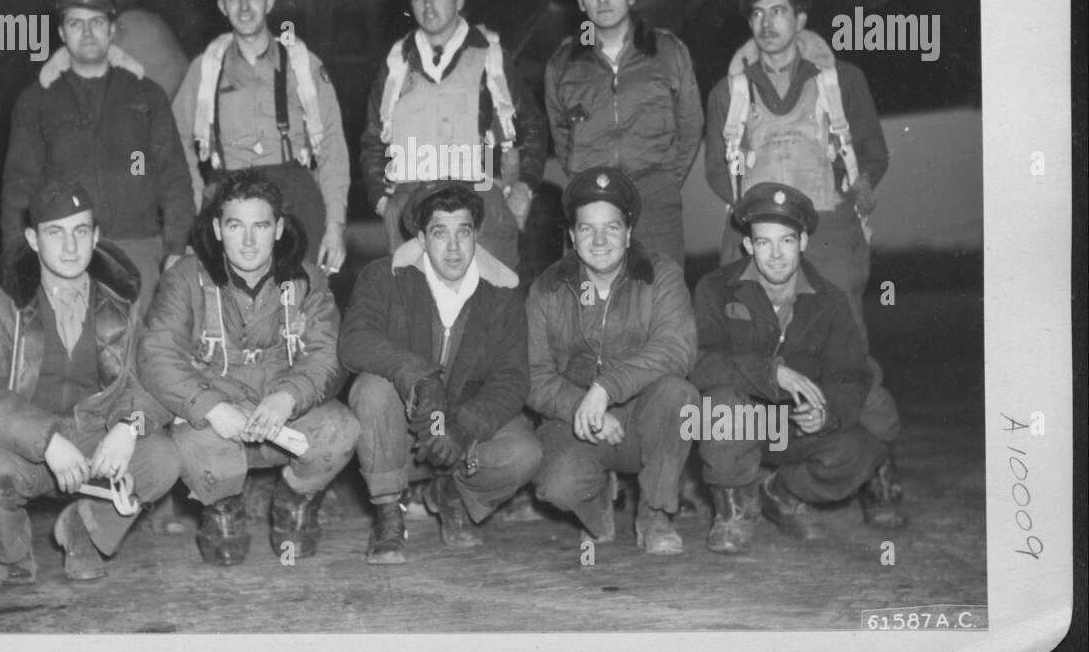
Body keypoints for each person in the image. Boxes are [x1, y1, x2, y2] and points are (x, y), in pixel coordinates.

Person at [704, 0, 905, 527]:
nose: (768, 24)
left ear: (800, 18)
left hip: (831, 233)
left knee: (849, 355)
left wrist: (857, 185)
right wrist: (763, 220)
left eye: (779, 11)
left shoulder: (843, 80)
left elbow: (872, 153)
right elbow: (718, 174)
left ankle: (879, 464)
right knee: (746, 354)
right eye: (757, 14)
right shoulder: (730, 91)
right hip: (757, 235)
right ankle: (741, 483)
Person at [0, 181, 181, 585]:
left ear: (97, 237)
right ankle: (13, 548)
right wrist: (46, 439)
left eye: (81, 231)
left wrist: (129, 425)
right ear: (33, 239)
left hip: (95, 439)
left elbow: (152, 379)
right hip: (21, 448)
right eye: (56, 232)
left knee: (162, 459)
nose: (70, 247)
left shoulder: (120, 305)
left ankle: (82, 531)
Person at [137, 169, 358, 566]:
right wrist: (210, 405)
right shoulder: (184, 279)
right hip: (218, 423)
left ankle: (294, 498)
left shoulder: (307, 279)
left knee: (341, 430)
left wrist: (288, 397)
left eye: (261, 225)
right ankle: (222, 506)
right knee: (193, 443)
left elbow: (326, 355)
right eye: (236, 226)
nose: (250, 240)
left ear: (279, 228)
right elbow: (157, 355)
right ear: (219, 229)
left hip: (281, 417)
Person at [339, 181, 542, 563]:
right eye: (439, 233)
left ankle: (452, 492)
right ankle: (388, 511)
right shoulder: (385, 277)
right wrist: (418, 375)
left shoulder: (502, 292)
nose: (453, 247)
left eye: (463, 232)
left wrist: (467, 426)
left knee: (523, 453)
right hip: (406, 430)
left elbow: (513, 378)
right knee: (370, 389)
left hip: (461, 435)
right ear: (420, 237)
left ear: (476, 235)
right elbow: (353, 341)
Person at [690, 182, 887, 553]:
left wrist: (825, 412)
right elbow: (699, 360)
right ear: (748, 245)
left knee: (862, 450)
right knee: (720, 404)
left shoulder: (832, 300)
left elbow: (850, 374)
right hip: (739, 423)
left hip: (795, 428)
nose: (776, 254)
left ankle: (780, 492)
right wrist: (771, 372)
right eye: (764, 242)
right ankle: (732, 508)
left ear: (803, 243)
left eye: (786, 241)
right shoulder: (715, 288)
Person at [527, 166, 699, 555]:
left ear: (629, 231)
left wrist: (606, 388)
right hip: (578, 421)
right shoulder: (548, 289)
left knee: (680, 396)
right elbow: (534, 376)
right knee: (557, 486)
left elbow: (677, 348)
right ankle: (595, 506)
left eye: (612, 227)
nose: (600, 240)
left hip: (643, 420)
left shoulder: (662, 275)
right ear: (572, 235)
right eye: (587, 229)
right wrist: (581, 407)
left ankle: (655, 513)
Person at [0, 0, 195, 315]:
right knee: (74, 364)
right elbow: (18, 191)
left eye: (97, 23)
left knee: (139, 360)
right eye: (76, 23)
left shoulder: (148, 95)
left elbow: (175, 181)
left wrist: (175, 249)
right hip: (65, 258)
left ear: (112, 29)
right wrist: (19, 263)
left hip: (140, 255)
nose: (87, 33)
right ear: (62, 33)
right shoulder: (36, 101)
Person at [360, 0, 547, 270]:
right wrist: (382, 198)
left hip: (481, 197)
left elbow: (530, 126)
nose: (428, 5)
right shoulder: (396, 63)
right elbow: (373, 139)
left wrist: (524, 186)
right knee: (414, 310)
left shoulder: (490, 56)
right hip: (410, 202)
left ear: (459, 0)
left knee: (490, 307)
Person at [172, 0, 351, 274]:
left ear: (269, 2)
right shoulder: (205, 70)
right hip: (228, 192)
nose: (244, 7)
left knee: (303, 298)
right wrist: (197, 207)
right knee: (229, 305)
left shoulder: (302, 65)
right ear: (221, 6)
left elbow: (333, 145)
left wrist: (335, 226)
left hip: (293, 192)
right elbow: (176, 144)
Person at [544, 0, 703, 267]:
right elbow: (561, 137)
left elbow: (691, 124)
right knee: (591, 307)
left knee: (662, 301)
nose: (602, 0)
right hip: (590, 201)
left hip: (655, 202)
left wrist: (664, 183)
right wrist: (585, 177)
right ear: (580, 2)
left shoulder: (670, 52)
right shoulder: (562, 64)